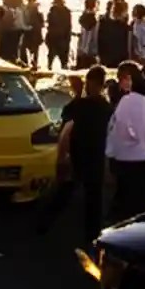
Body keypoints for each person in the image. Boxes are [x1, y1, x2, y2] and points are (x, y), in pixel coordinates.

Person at [37, 65, 112, 243]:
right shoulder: (105, 108)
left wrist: (78, 94)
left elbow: (66, 117)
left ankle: (44, 225)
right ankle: (92, 235)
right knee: (92, 198)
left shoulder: (81, 105)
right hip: (94, 155)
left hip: (80, 154)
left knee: (67, 192)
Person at [105, 61, 145, 220]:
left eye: (121, 78)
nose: (120, 83)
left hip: (125, 157)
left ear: (129, 78)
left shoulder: (128, 101)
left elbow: (118, 128)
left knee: (124, 204)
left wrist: (110, 153)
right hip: (141, 157)